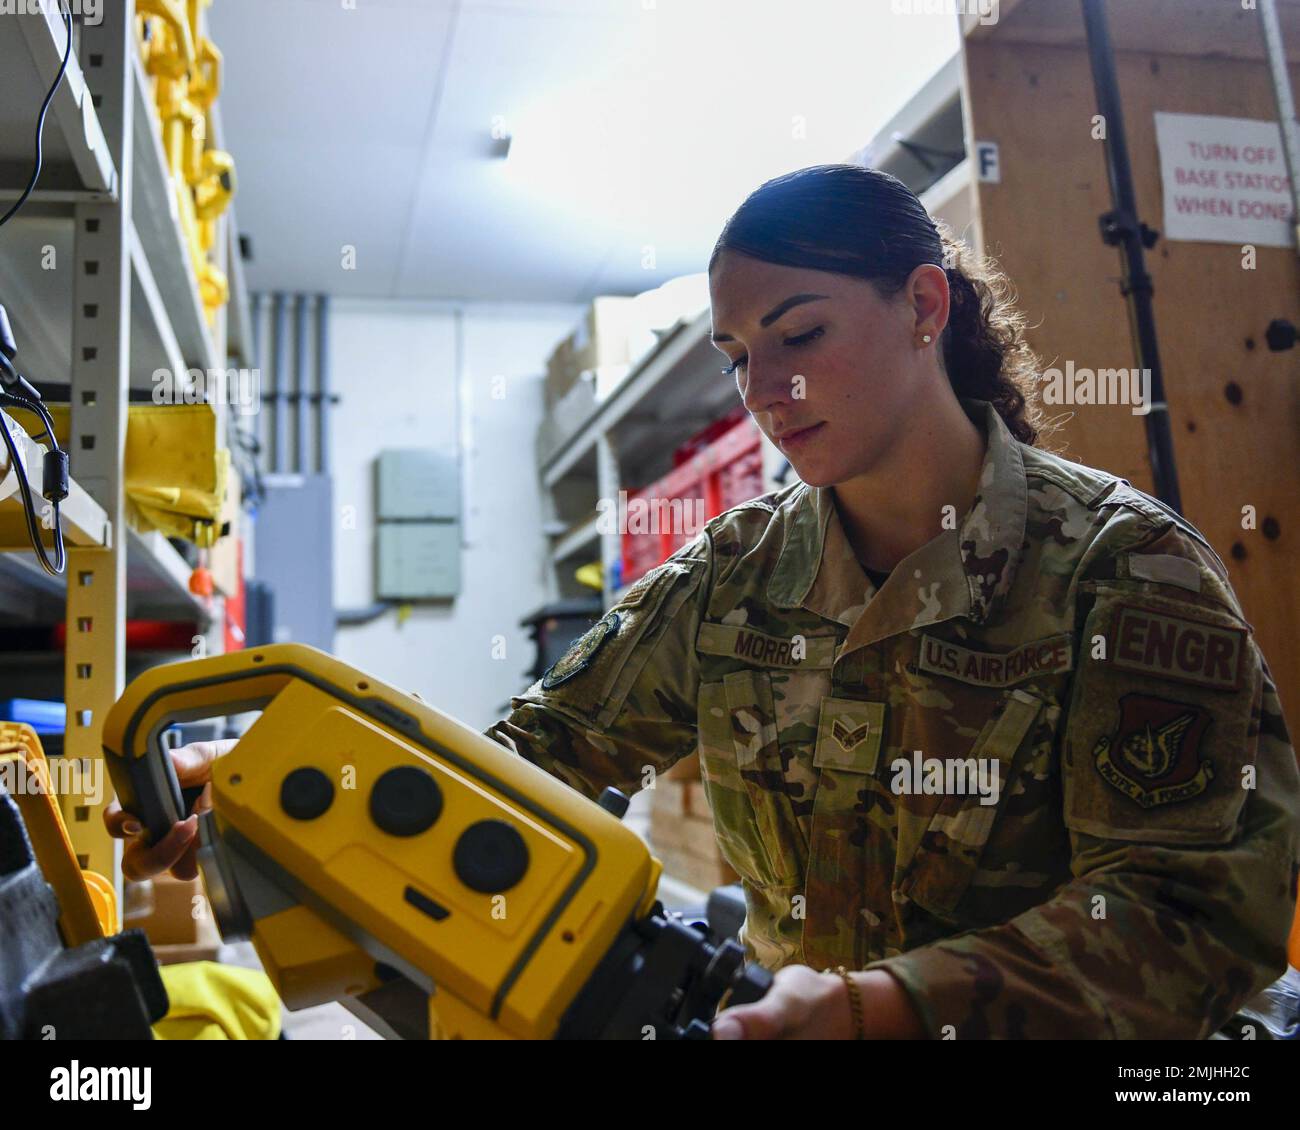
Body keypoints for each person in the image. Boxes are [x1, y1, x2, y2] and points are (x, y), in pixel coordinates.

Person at [107, 164, 1300, 1041]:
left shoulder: (1121, 568)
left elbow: (1191, 913)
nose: (766, 390)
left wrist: (882, 1008)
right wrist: (288, 791)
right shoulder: (737, 573)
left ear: (924, 307)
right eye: (736, 355)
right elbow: (543, 752)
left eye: (800, 334)